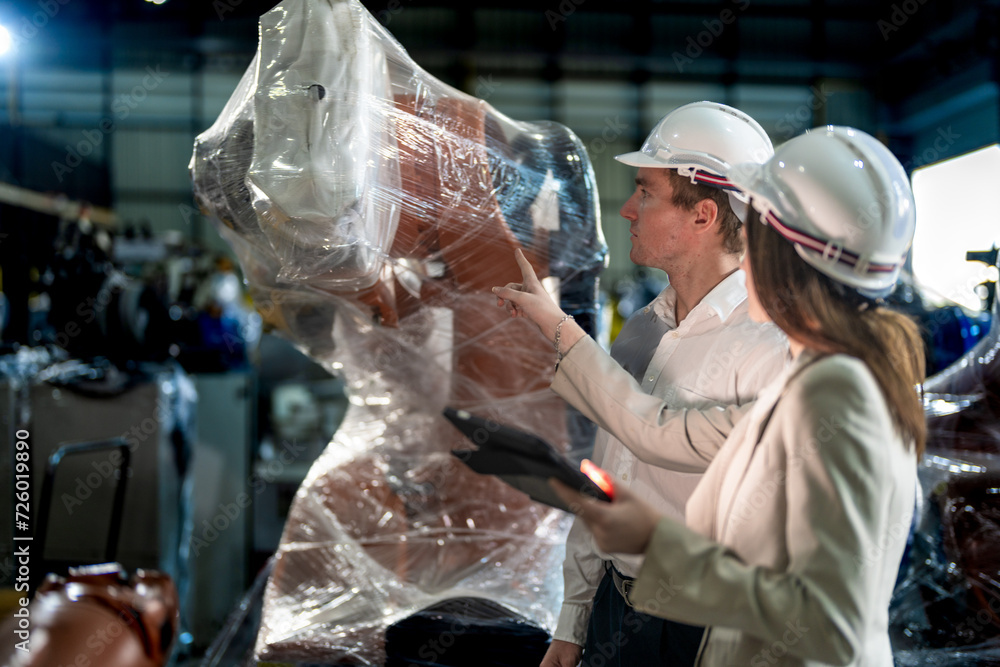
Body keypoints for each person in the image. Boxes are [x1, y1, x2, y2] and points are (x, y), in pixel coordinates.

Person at [541, 126, 925, 666]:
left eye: (755, 241)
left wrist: (655, 544)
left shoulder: (838, 393)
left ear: (791, 257)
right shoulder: (826, 379)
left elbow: (830, 627)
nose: (743, 262)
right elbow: (660, 434)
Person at [496, 101, 789, 666]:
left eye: (645, 192)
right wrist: (573, 620)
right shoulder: (644, 328)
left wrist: (558, 330)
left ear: (703, 215)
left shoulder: (769, 347)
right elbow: (608, 479)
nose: (628, 209)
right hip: (615, 606)